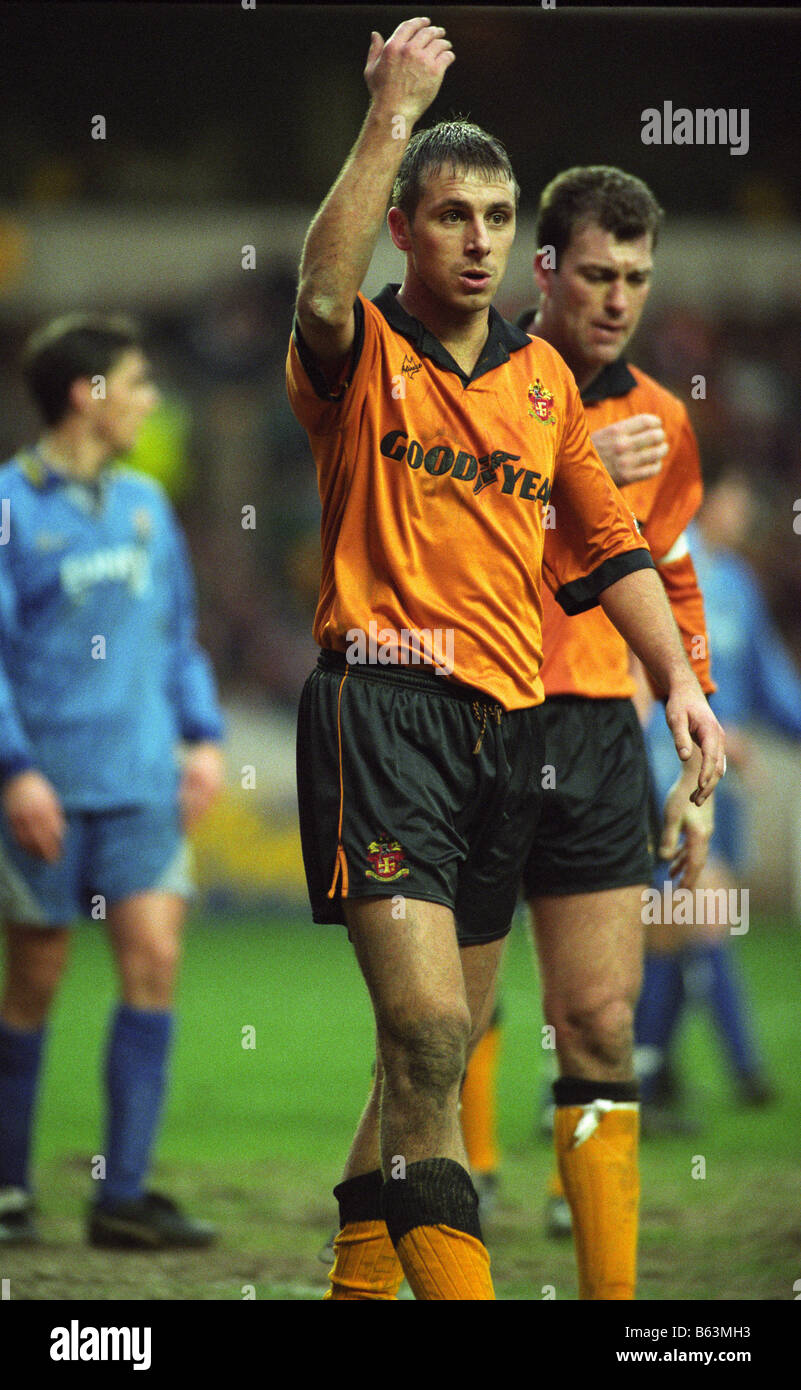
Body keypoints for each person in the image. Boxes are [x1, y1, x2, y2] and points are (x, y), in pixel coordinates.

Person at [287, 17, 724, 1302]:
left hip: (511, 733)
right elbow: (317, 287)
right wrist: (389, 121)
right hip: (378, 714)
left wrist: (683, 685)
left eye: (494, 215)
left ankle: (363, 1289)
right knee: (429, 1033)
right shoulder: (360, 356)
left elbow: (613, 553)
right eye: (451, 215)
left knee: (438, 1049)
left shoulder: (542, 385)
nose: (477, 239)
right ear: (408, 232)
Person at [459, 166, 719, 1285]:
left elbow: (673, 578)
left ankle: (611, 1300)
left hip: (602, 732)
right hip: (476, 717)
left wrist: (692, 715)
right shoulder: (479, 386)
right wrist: (561, 478)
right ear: (546, 269)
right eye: (600, 274)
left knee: (601, 1021)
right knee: (439, 1026)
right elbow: (443, 563)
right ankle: (426, 1204)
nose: (619, 298)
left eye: (639, 278)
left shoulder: (664, 419)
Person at [0, 314, 225, 1249]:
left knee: (154, 962)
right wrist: (13, 770)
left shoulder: (145, 505)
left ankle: (122, 1195)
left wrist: (203, 736)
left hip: (139, 780)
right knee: (35, 979)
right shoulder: (10, 503)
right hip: (46, 786)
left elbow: (177, 639)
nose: (147, 401)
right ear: (87, 394)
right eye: (134, 383)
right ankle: (9, 1190)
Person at [636, 465, 801, 1116]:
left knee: (688, 929)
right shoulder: (663, 573)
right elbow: (649, 685)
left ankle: (649, 1078)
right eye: (733, 501)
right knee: (688, 923)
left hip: (718, 787)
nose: (743, 515)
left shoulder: (735, 585)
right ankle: (737, 1070)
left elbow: (768, 684)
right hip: (670, 778)